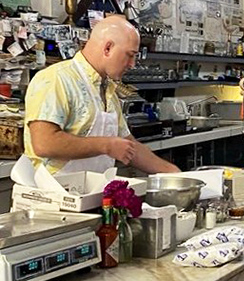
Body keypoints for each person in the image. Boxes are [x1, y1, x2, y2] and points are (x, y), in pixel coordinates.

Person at [22, 16, 180, 176]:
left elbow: (129, 145)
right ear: (108, 48)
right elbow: (44, 143)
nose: (132, 64)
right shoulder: (56, 79)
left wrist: (174, 173)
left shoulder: (108, 88)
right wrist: (106, 145)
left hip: (91, 193)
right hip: (53, 194)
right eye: (130, 55)